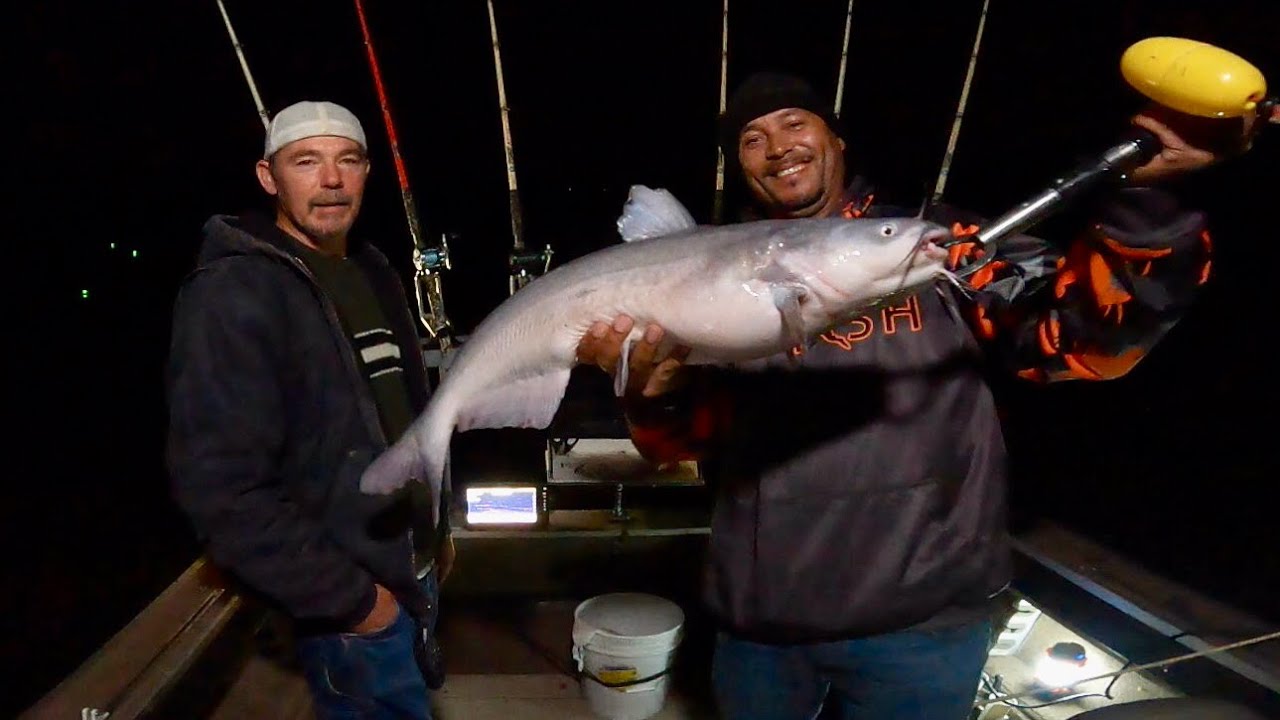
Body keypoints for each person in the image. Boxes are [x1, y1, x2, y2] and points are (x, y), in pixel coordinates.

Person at [576, 72, 1227, 719]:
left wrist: (1148, 202)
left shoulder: (942, 245)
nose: (777, 146)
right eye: (752, 138)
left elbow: (1080, 344)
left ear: (836, 140)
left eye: (794, 123)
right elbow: (680, 443)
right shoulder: (710, 283)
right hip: (762, 623)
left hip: (925, 623)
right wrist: (652, 392)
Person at [165, 100, 454, 719]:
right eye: (306, 162)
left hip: (413, 572)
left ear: (367, 172)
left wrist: (438, 529)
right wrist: (356, 603)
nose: (331, 180)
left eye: (347, 160)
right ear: (269, 178)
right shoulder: (233, 292)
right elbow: (221, 490)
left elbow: (407, 416)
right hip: (352, 606)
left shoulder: (372, 270)